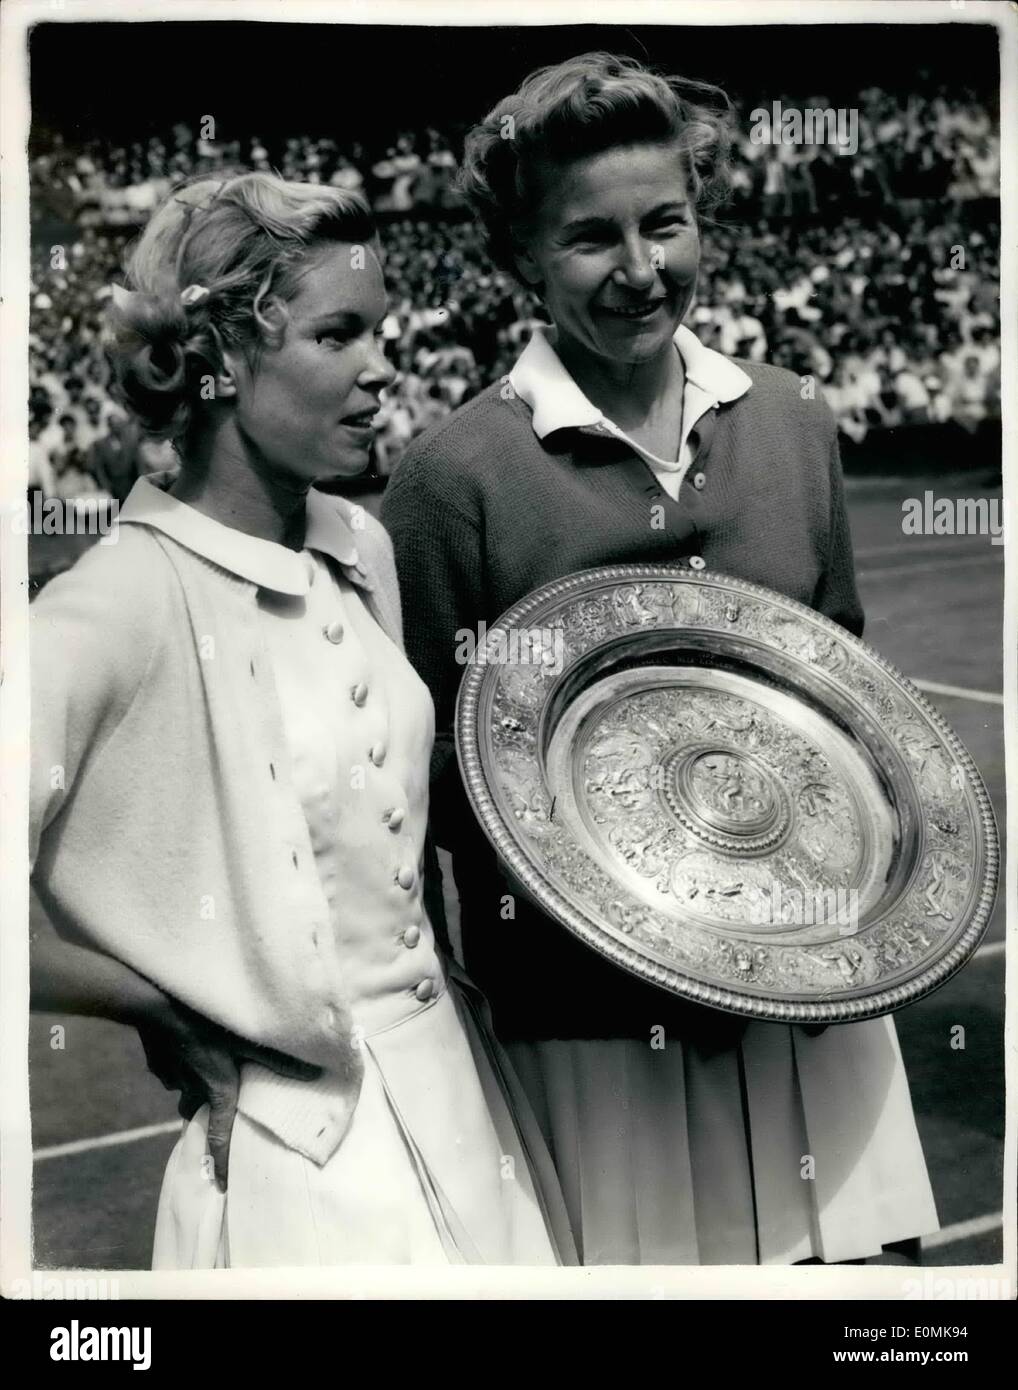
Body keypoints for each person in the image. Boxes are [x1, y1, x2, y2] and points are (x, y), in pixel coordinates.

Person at [382, 53, 939, 1266]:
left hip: (812, 1016)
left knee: (873, 1323)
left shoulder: (792, 418)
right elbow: (412, 792)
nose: (640, 271)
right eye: (591, 238)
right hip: (589, 1045)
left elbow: (845, 692)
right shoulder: (451, 478)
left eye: (665, 224)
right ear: (521, 258)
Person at [30, 171, 573, 1269]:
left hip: (471, 1114)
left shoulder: (359, 547)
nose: (382, 371)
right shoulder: (118, 599)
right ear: (222, 357)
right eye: (338, 336)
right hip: (298, 1180)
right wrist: (155, 1005)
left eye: (378, 334)